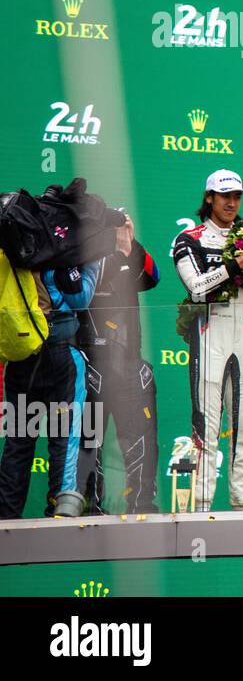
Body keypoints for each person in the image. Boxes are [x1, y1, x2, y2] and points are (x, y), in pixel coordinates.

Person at [172, 169, 243, 511]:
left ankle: (242, 504)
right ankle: (202, 506)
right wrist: (238, 263)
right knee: (206, 424)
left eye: (237, 197)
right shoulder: (189, 239)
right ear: (209, 198)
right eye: (225, 196)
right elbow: (198, 289)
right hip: (210, 334)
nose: (232, 203)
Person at [0, 256, 103, 518]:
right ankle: (62, 508)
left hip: (20, 349)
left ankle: (6, 516)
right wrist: (94, 260)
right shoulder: (60, 238)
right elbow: (80, 299)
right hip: (60, 347)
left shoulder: (12, 234)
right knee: (65, 435)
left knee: (18, 440)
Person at [77, 213, 161, 514]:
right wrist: (119, 256)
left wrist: (130, 243)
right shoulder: (80, 256)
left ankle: (141, 504)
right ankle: (89, 506)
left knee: (140, 439)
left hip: (128, 363)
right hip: (92, 365)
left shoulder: (127, 252)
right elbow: (80, 290)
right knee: (89, 441)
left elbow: (152, 277)